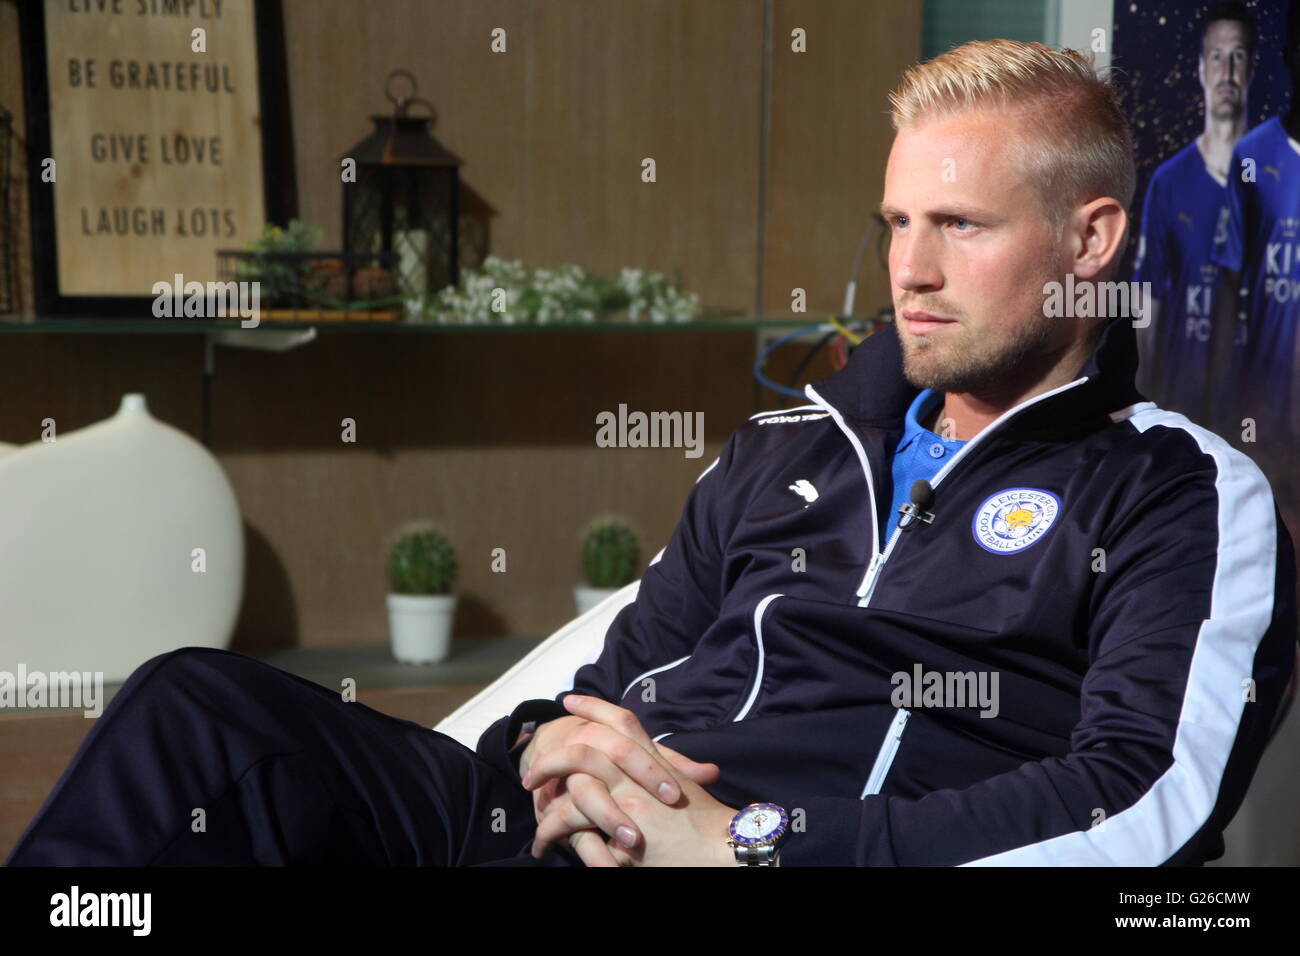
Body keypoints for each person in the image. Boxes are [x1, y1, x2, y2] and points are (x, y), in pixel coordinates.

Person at [6, 38, 1295, 868]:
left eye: (959, 225)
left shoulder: (1174, 487)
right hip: (556, 833)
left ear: (1090, 240)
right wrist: (554, 758)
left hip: (780, 856)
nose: (907, 268)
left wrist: (752, 841)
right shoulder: (790, 441)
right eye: (896, 220)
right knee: (196, 707)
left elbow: (1140, 799)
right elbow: (617, 677)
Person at [1132, 2, 1255, 425]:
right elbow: (1148, 302)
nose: (1227, 72)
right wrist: (1145, 402)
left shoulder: (1276, 175)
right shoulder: (1169, 183)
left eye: (1238, 56)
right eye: (1217, 57)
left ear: (1251, 68)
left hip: (1262, 402)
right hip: (1182, 402)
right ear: (1202, 69)